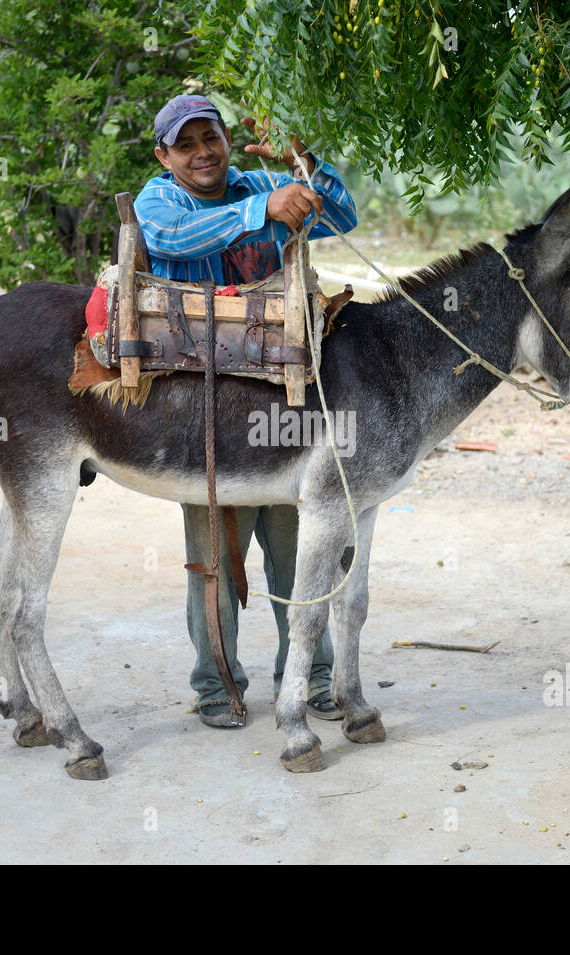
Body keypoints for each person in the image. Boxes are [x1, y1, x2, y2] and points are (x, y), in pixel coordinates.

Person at [134, 93, 359, 727]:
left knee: (297, 557)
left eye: (211, 139)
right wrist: (264, 207)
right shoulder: (162, 200)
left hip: (281, 403)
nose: (202, 153)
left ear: (228, 140)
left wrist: (303, 165)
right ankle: (215, 686)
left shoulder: (262, 180)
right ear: (164, 155)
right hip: (204, 410)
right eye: (186, 145)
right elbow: (166, 237)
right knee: (213, 565)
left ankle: (313, 675)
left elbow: (342, 217)